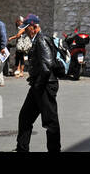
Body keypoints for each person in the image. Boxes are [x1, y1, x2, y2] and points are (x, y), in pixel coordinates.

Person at [15, 14, 61, 152]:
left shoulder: (41, 40)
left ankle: (54, 150)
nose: (24, 31)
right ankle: (22, 148)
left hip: (45, 86)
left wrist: (37, 85)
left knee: (50, 122)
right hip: (38, 85)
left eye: (26, 28)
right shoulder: (36, 40)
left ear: (34, 27)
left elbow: (47, 67)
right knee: (25, 117)